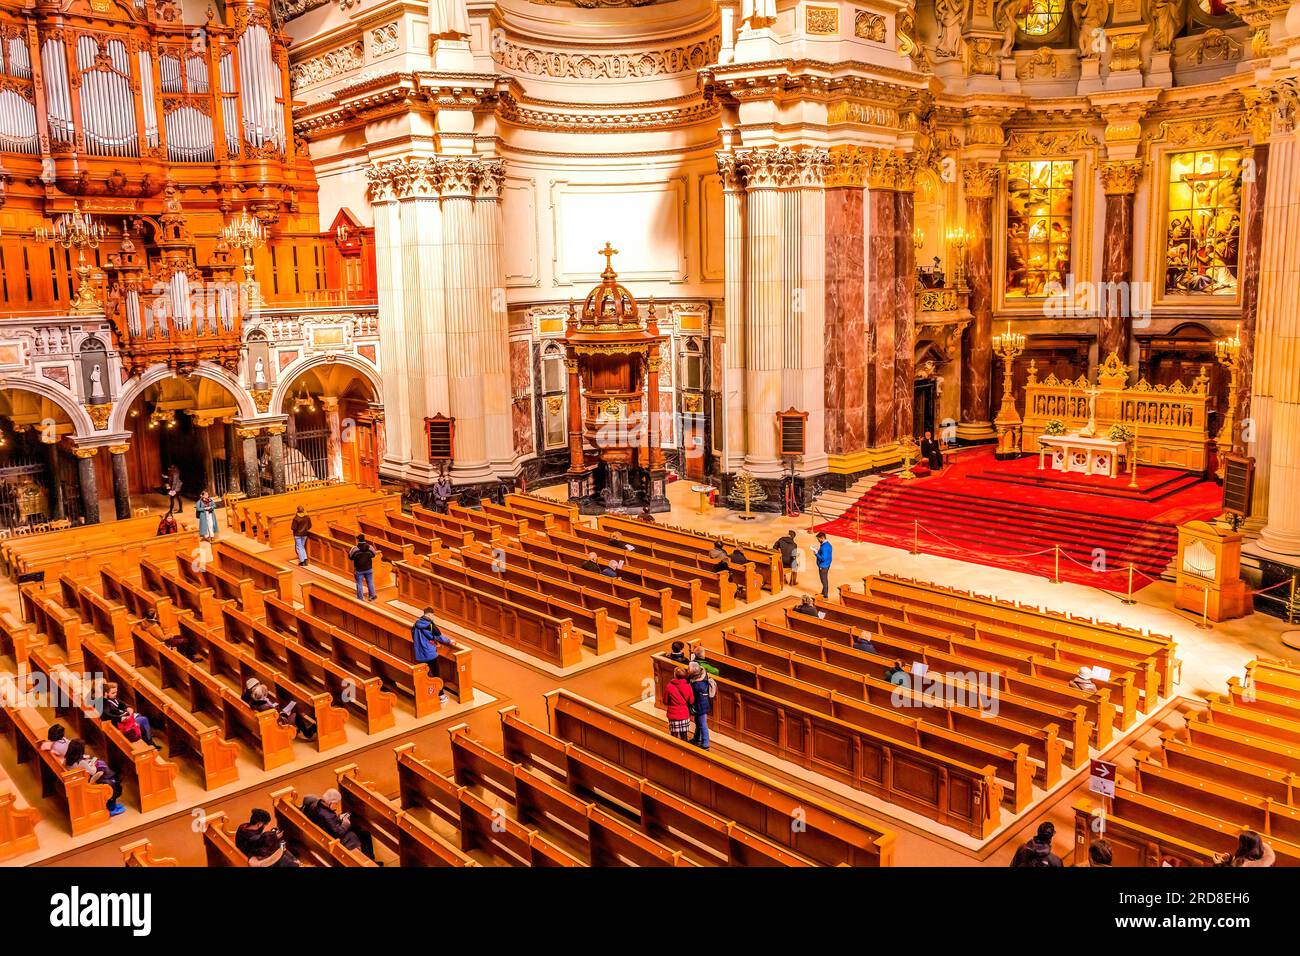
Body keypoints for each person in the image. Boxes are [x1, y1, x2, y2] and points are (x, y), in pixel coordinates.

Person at [302, 789, 375, 860]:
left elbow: (330, 824)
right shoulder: (327, 815)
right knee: (364, 834)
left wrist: (339, 819)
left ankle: (369, 858)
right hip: (337, 839)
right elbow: (338, 833)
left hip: (327, 832)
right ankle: (370, 860)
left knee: (361, 832)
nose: (336, 806)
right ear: (331, 802)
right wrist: (346, 823)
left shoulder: (317, 804)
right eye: (336, 803)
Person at [65, 739, 126, 817]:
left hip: (78, 781)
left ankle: (113, 778)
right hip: (86, 783)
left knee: (103, 770)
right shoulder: (81, 762)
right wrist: (92, 763)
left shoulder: (67, 759)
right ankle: (111, 808)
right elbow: (93, 771)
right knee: (111, 783)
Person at [242, 678, 318, 740]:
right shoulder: (264, 706)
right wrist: (282, 712)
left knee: (293, 709)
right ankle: (308, 733)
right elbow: (278, 718)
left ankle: (304, 731)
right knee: (295, 712)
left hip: (268, 720)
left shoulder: (252, 701)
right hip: (278, 723)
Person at [412, 608, 460, 704]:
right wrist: (449, 641)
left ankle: (427, 693)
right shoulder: (429, 625)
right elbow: (438, 636)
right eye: (432, 615)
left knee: (426, 675)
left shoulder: (416, 624)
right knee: (436, 674)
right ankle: (441, 695)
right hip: (430, 654)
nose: (433, 617)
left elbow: (414, 636)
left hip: (419, 653)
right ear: (429, 615)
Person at [94, 682, 159, 749]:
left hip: (124, 717)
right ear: (105, 694)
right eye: (113, 693)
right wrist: (121, 718)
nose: (115, 694)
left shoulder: (113, 698)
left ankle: (146, 739)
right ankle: (149, 743)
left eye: (116, 692)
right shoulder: (104, 703)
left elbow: (123, 704)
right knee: (143, 720)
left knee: (140, 717)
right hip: (118, 723)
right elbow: (106, 715)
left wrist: (128, 708)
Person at [235, 808, 300, 867]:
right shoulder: (253, 838)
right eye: (265, 825)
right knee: (279, 851)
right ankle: (294, 863)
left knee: (279, 844)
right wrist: (274, 837)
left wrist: (272, 836)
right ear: (259, 824)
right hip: (253, 855)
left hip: (251, 848)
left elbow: (262, 839)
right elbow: (261, 845)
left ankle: (294, 861)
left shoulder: (243, 826)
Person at [687, 661, 715, 750]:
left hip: (700, 707)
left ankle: (705, 744)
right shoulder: (703, 676)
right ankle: (697, 739)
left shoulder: (697, 685)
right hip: (702, 705)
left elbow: (692, 696)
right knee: (698, 723)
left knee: (702, 724)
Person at [663, 666, 695, 741]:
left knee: (673, 737)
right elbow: (691, 701)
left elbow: (665, 701)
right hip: (684, 714)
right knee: (684, 737)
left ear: (675, 676)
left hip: (673, 715)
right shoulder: (688, 686)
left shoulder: (669, 687)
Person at [348, 534, 379, 601]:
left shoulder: (355, 548)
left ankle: (361, 598)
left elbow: (350, 557)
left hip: (359, 569)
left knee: (359, 583)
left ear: (358, 540)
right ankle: (372, 596)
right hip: (368, 568)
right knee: (370, 581)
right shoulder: (370, 547)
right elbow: (374, 555)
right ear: (364, 539)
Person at [812, 532, 833, 599]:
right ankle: (823, 592)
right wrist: (819, 551)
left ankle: (825, 595)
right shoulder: (828, 544)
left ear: (822, 538)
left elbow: (823, 558)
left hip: (823, 566)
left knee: (823, 581)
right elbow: (826, 555)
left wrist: (816, 554)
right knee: (824, 580)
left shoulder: (824, 547)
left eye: (818, 539)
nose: (818, 540)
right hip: (827, 564)